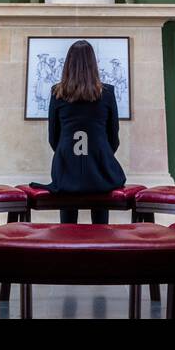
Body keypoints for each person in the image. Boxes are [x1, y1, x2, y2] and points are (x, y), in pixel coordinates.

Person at [37, 40, 125, 224]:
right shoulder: (107, 92)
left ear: (68, 64)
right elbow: (113, 136)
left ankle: (67, 242)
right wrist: (99, 155)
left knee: (67, 217)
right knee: (100, 202)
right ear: (93, 64)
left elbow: (53, 137)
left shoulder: (56, 92)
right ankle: (101, 241)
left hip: (66, 169)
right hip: (101, 171)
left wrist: (70, 157)